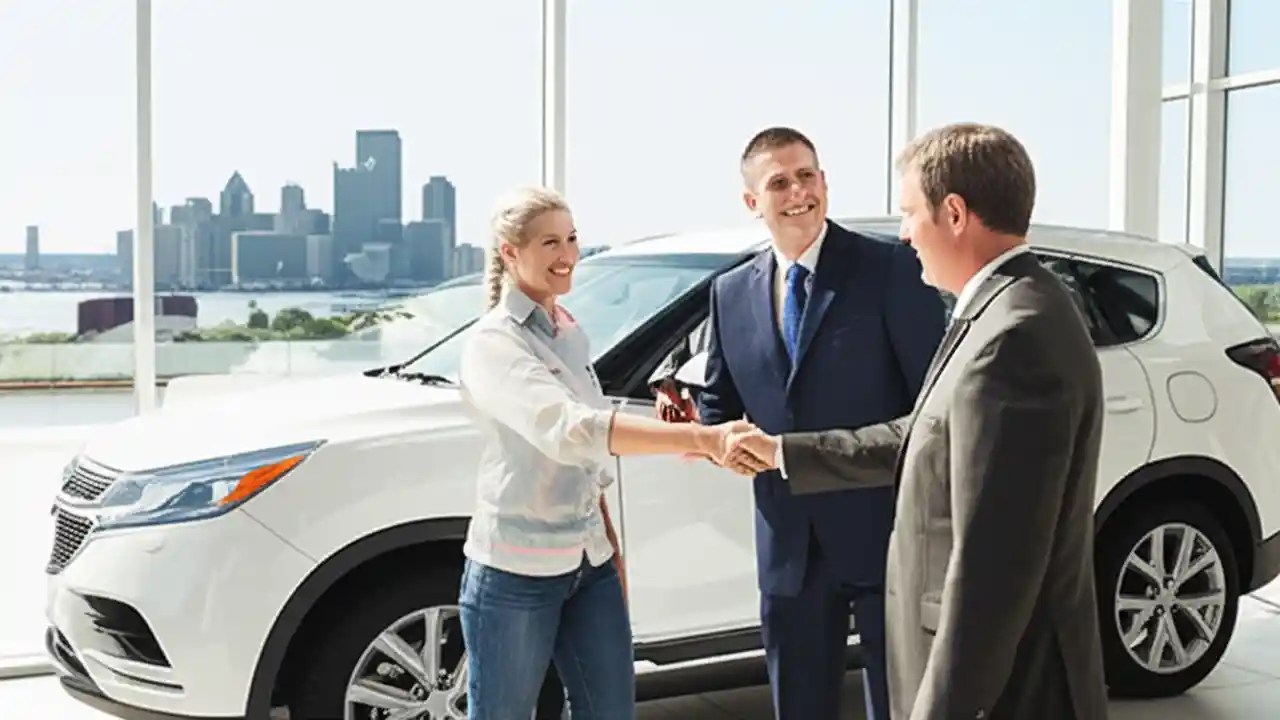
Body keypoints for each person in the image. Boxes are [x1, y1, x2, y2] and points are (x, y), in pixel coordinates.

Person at [723, 123, 1110, 720]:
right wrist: (782, 453)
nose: (905, 235)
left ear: (953, 214)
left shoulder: (1015, 335)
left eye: (909, 214)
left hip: (1019, 692)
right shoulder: (1001, 311)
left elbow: (993, 568)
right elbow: (919, 434)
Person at [456, 185, 748, 719]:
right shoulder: (492, 344)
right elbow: (573, 431)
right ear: (509, 252)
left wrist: (611, 551)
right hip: (515, 573)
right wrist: (703, 437)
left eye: (571, 239)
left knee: (611, 713)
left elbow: (586, 463)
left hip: (589, 566)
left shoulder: (568, 331)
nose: (567, 255)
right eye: (549, 243)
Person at [691, 127, 947, 720]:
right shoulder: (729, 293)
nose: (797, 191)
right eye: (778, 182)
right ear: (753, 202)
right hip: (788, 546)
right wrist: (717, 438)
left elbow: (932, 406)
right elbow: (719, 407)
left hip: (886, 535)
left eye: (807, 175)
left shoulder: (890, 269)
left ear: (825, 182)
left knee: (904, 708)